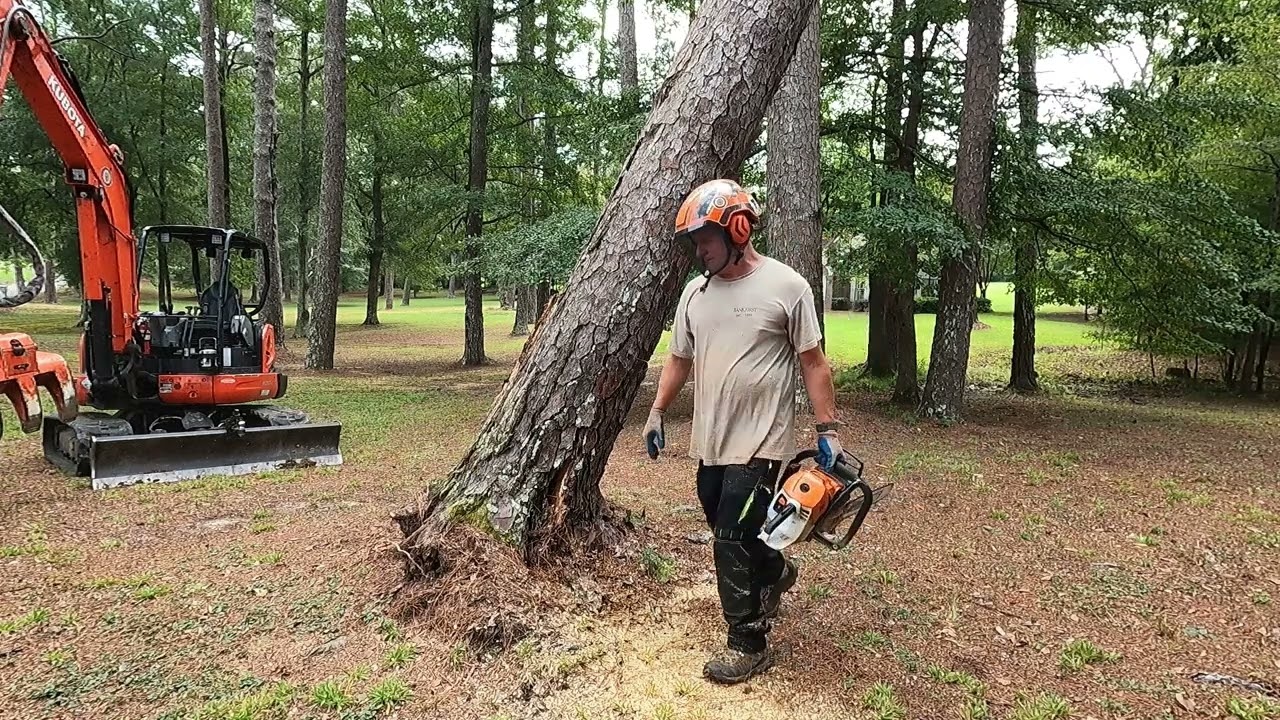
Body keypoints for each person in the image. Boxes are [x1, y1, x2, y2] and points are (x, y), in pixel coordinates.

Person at [643, 178, 844, 684]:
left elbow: (814, 364)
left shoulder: (787, 287)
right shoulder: (695, 294)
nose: (699, 250)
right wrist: (656, 410)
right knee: (722, 515)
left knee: (730, 536)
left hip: (761, 440)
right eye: (694, 242)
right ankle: (776, 572)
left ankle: (747, 641)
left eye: (705, 239)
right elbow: (678, 358)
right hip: (711, 439)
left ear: (738, 227)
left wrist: (828, 429)